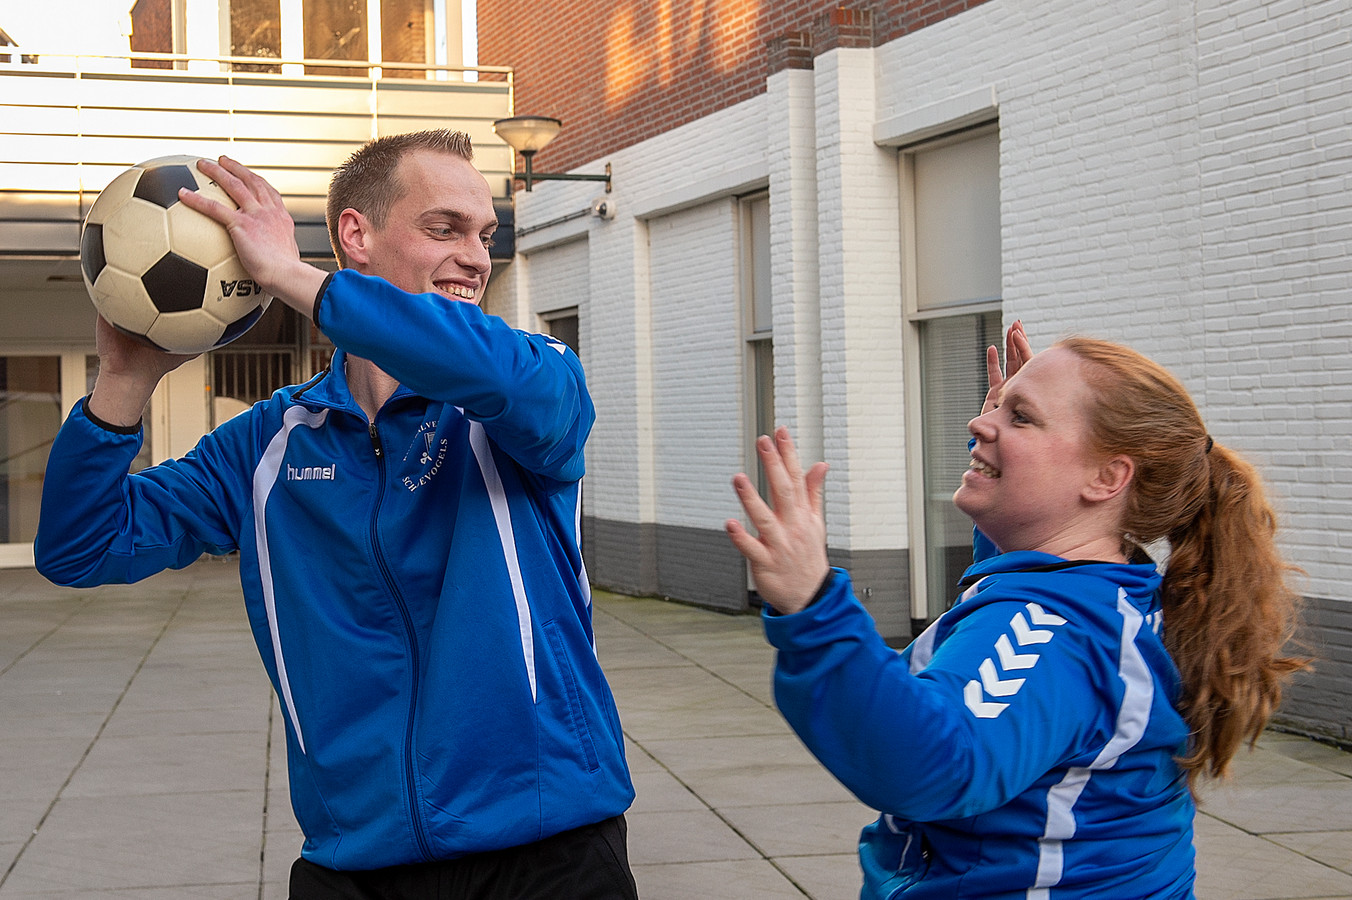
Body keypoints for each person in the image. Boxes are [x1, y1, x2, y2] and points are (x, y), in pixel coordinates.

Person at [35, 130, 638, 899]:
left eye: (485, 235)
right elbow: (80, 548)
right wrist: (122, 378)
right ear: (357, 234)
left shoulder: (530, 383)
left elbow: (481, 367)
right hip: (356, 864)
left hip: (550, 856)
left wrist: (293, 277)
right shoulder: (265, 447)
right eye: (444, 228)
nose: (477, 257)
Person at [725, 322, 1307, 898]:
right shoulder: (1112, 594)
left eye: (1020, 416)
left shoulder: (1056, 631)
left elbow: (933, 763)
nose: (980, 422)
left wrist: (814, 609)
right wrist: (1010, 460)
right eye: (1000, 407)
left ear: (1107, 477)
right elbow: (1014, 609)